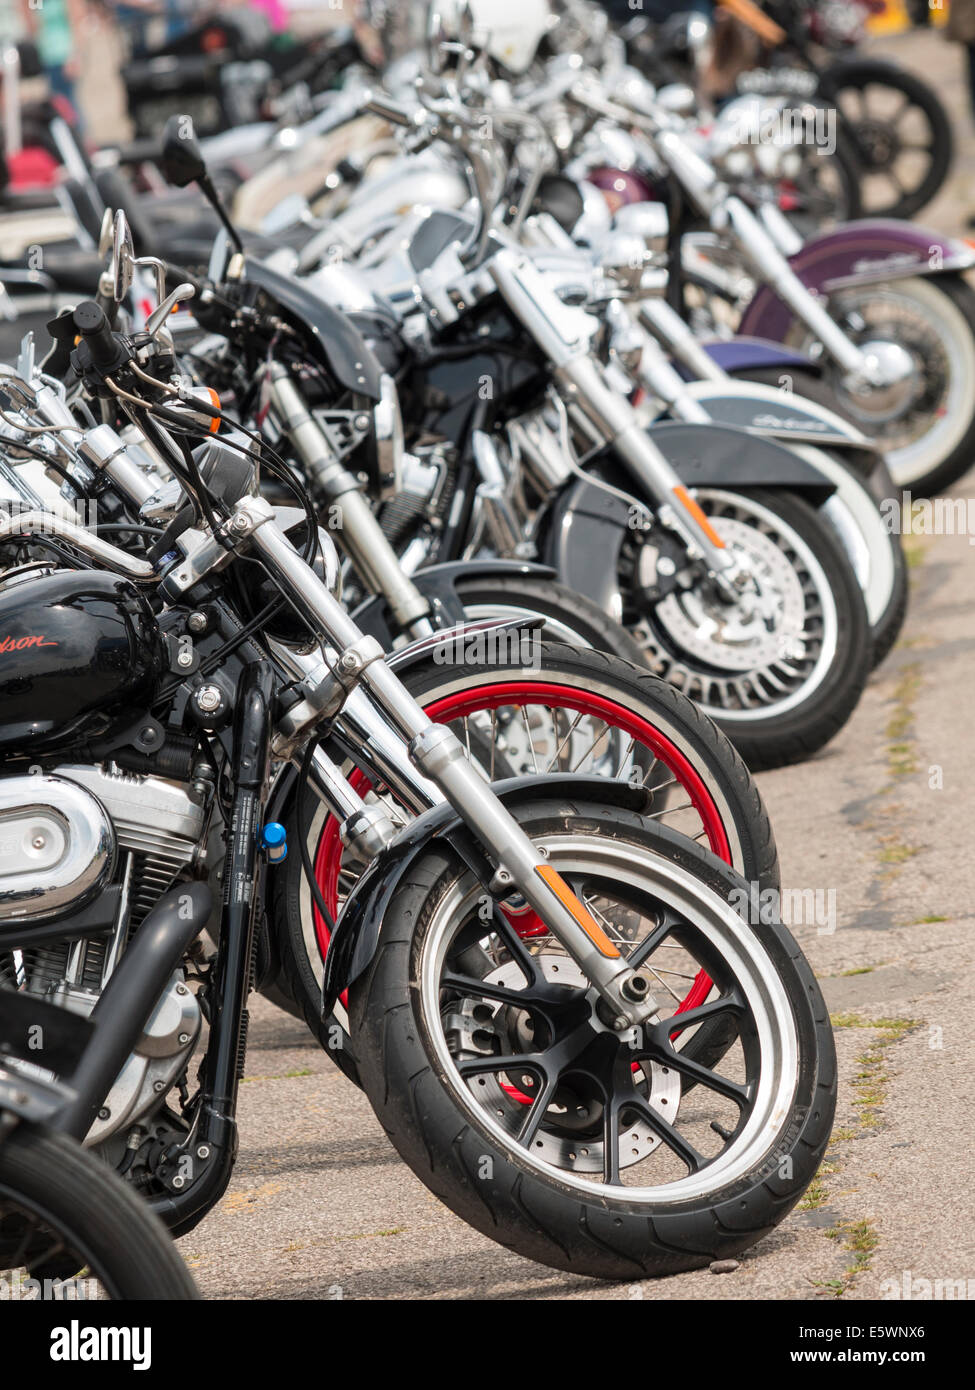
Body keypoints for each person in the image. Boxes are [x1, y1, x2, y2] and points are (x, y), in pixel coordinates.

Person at [19, 0, 87, 111]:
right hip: (45, 56)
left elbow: (78, 22)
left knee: (68, 103)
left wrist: (75, 56)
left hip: (64, 56)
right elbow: (32, 20)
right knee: (55, 104)